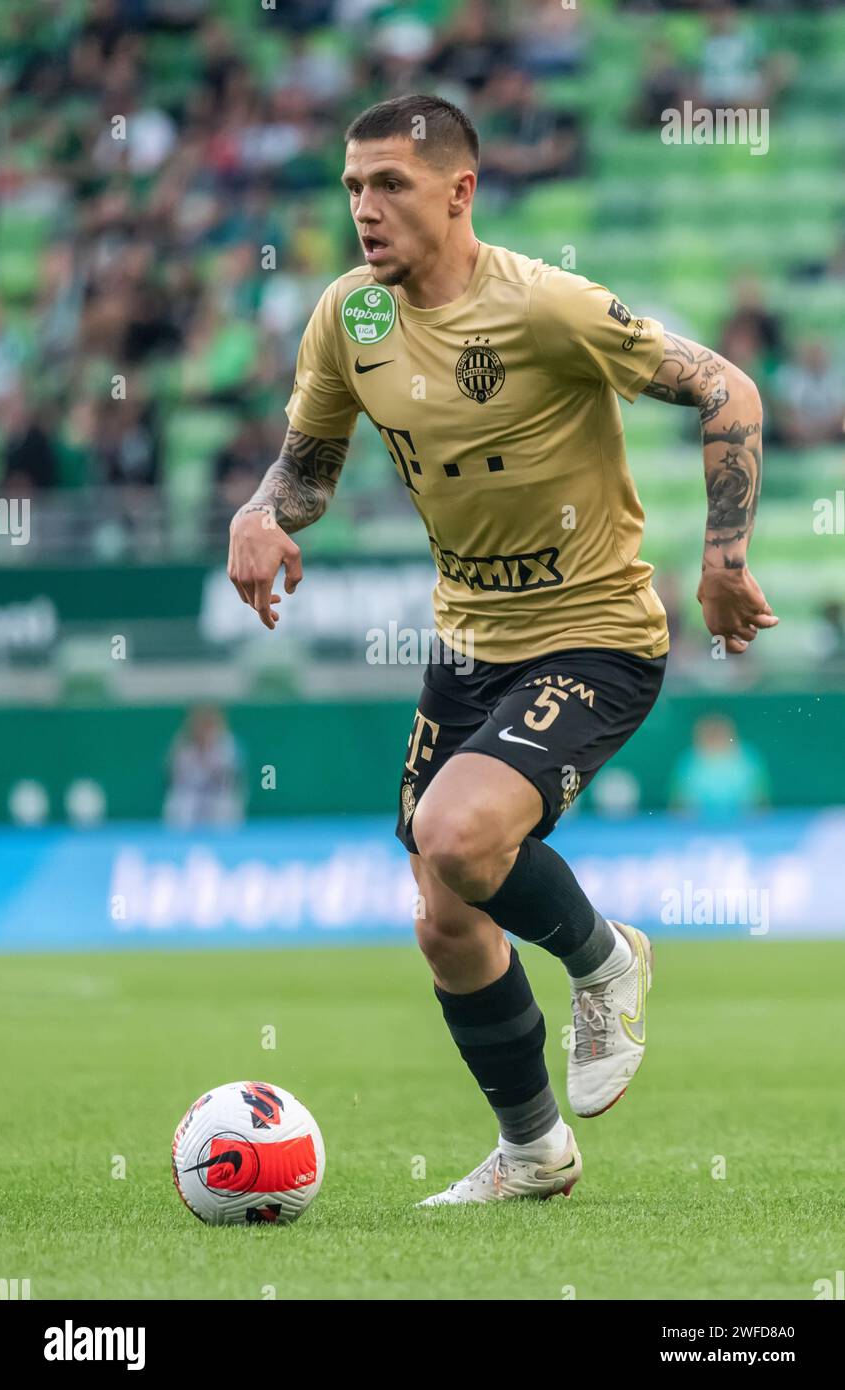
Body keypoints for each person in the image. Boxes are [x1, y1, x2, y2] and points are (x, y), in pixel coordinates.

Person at [226, 94, 778, 1206]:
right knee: (442, 911)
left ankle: (604, 958)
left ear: (458, 191)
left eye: (388, 184)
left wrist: (722, 556)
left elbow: (726, 387)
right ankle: (532, 1150)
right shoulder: (351, 319)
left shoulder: (546, 308)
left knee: (454, 835)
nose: (364, 208)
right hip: (469, 644)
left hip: (598, 633)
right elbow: (311, 464)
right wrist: (261, 510)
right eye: (350, 186)